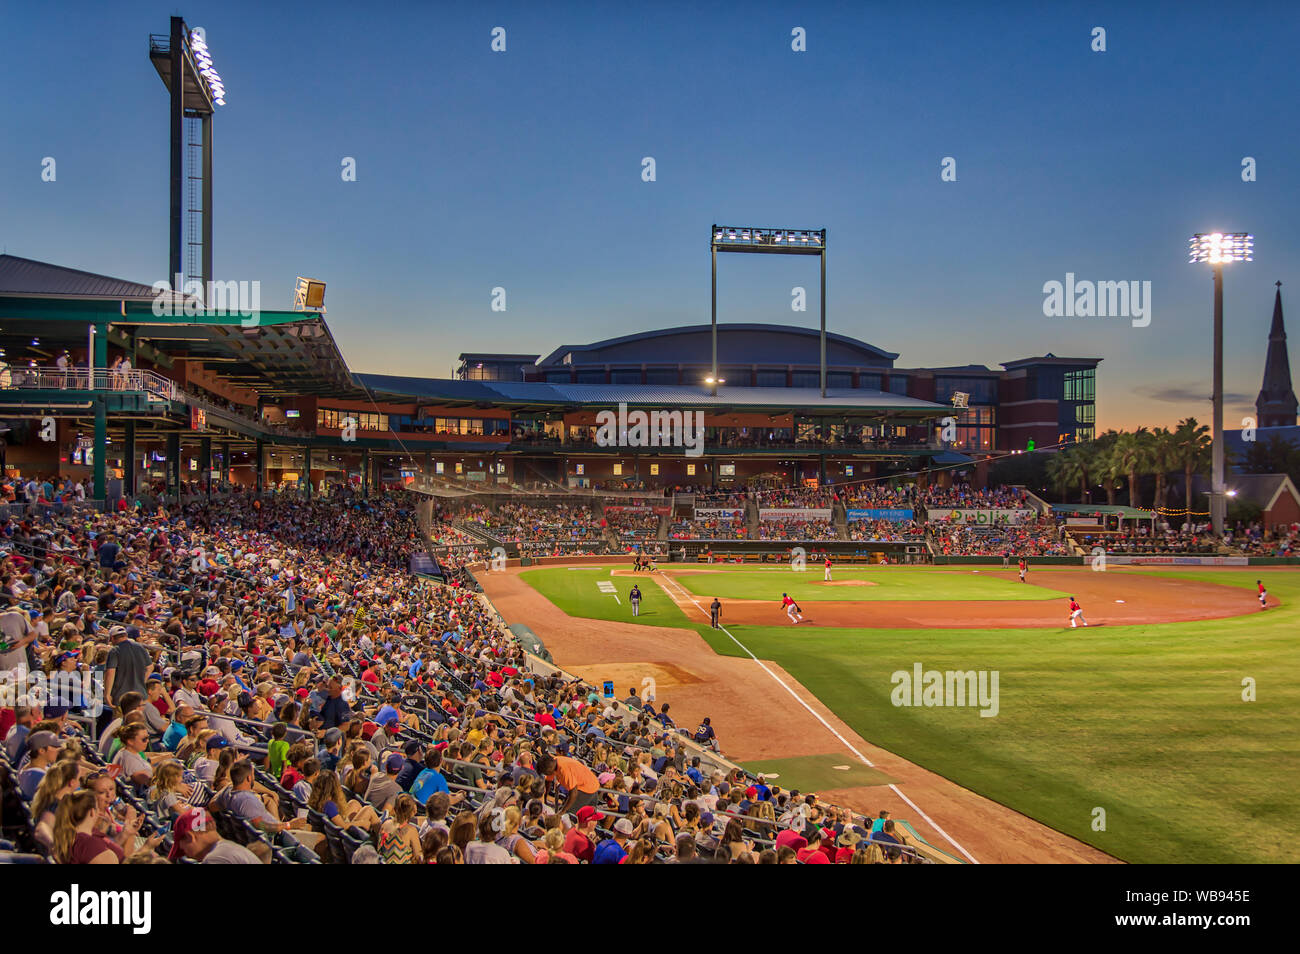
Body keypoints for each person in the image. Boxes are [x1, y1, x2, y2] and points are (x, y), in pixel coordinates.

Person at [169, 806, 263, 863]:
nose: (188, 856)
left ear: (191, 837)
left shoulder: (216, 858)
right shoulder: (228, 849)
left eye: (183, 850)